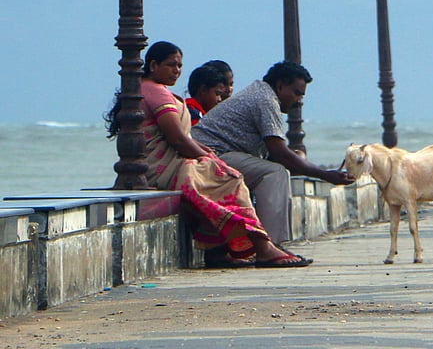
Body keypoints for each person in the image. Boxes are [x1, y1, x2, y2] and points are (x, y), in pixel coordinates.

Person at [104, 41, 310, 268]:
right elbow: (178, 139)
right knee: (227, 179)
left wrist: (205, 153)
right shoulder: (156, 93)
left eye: (180, 65)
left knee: (220, 177)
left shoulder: (150, 91)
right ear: (153, 65)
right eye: (171, 65)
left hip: (161, 164)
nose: (177, 70)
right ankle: (263, 247)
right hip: (159, 167)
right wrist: (210, 158)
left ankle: (220, 251)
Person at [193, 60, 354, 246]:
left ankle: (264, 244)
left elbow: (276, 153)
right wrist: (325, 174)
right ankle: (271, 246)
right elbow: (280, 155)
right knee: (275, 173)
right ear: (280, 85)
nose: (299, 101)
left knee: (276, 169)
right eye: (297, 93)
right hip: (210, 157)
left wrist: (296, 159)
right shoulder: (266, 100)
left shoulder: (261, 94)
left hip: (217, 156)